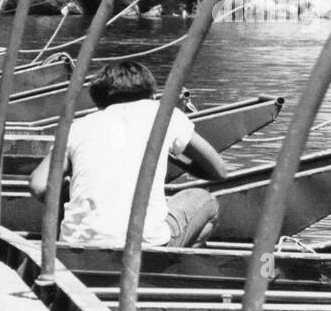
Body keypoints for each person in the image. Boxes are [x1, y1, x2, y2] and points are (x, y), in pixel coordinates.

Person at [27, 60, 229, 250]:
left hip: (76, 246)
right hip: (145, 246)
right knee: (206, 200)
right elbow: (219, 171)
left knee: (64, 186)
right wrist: (170, 153)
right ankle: (169, 270)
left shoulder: (78, 126)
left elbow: (38, 186)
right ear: (151, 95)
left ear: (99, 102)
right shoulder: (164, 113)